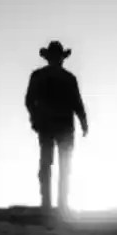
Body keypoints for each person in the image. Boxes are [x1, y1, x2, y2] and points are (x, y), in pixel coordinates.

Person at [25, 40, 88, 210]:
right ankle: (60, 203)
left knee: (48, 162)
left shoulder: (39, 76)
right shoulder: (68, 77)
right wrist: (83, 122)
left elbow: (29, 101)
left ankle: (48, 202)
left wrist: (35, 118)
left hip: (49, 124)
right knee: (62, 164)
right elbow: (77, 103)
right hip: (63, 125)